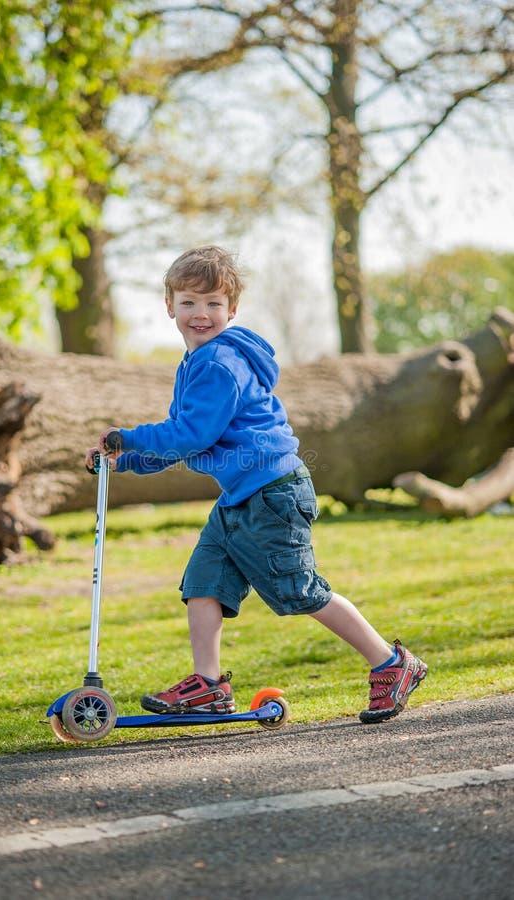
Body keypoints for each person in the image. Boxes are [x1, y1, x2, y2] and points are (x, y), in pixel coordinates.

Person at [86, 245, 427, 724]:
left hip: (272, 493)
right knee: (204, 583)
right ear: (169, 306)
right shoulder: (196, 363)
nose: (200, 314)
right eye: (189, 302)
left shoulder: (220, 365)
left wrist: (128, 437)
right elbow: (183, 438)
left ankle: (392, 663)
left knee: (300, 590)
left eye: (213, 304)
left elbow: (191, 436)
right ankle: (207, 685)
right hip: (240, 495)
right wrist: (126, 461)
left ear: (232, 310)